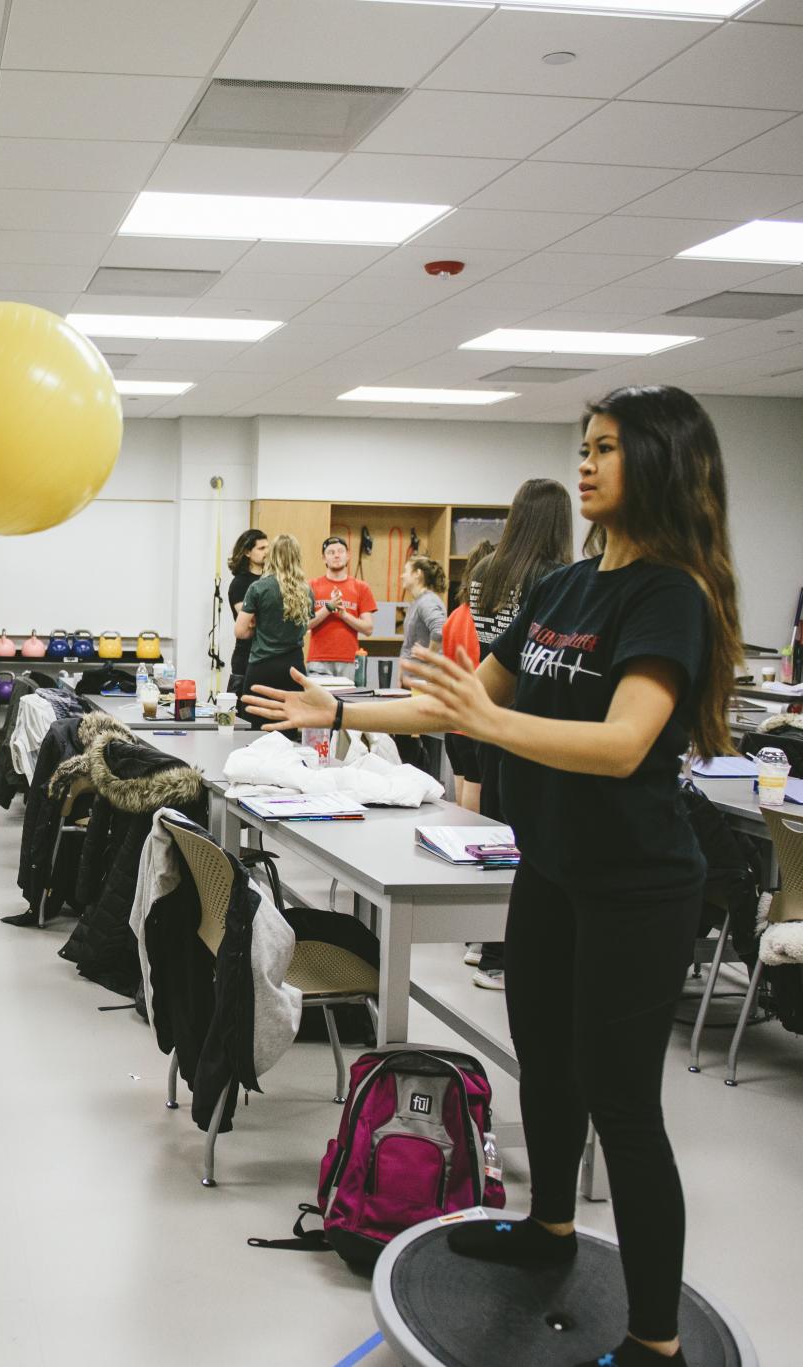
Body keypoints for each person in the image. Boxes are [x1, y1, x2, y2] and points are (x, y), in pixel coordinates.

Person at [247, 385, 742, 1367]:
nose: (585, 463)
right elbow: (457, 706)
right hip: (551, 867)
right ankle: (548, 1227)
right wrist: (337, 712)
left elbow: (621, 742)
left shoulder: (667, 596)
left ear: (658, 463)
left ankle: (656, 1340)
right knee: (544, 1063)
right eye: (584, 445)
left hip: (636, 886)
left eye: (607, 448)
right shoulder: (563, 589)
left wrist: (490, 722)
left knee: (622, 1105)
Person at [465, 478, 573, 991]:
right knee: (522, 842)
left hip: (488, 710)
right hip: (525, 719)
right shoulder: (554, 579)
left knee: (492, 829)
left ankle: (480, 939)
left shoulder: (484, 570)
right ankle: (499, 955)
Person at [234, 532, 314, 738]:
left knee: (255, 731)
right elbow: (305, 626)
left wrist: (259, 628)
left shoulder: (258, 588)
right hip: (294, 669)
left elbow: (240, 631)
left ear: (272, 556)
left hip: (263, 667)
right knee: (288, 731)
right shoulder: (306, 591)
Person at [445, 542, 493, 812]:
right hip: (472, 721)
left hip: (453, 723)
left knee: (461, 795)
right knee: (474, 795)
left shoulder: (455, 615)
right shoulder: (486, 620)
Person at [395, 555, 449, 777]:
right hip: (414, 681)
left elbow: (440, 628)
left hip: (423, 682)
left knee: (418, 740)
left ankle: (426, 783)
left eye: (406, 571)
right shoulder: (418, 602)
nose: (402, 576)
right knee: (407, 740)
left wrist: (428, 655)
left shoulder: (427, 602)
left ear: (418, 574)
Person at [306, 534, 376, 678]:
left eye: (340, 551)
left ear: (348, 555)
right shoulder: (311, 586)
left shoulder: (361, 587)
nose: (336, 555)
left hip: (349, 660)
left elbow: (368, 629)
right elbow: (304, 625)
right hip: (318, 660)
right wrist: (328, 608)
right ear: (324, 558)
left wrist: (344, 615)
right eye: (331, 552)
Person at [224, 529, 269, 694]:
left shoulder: (270, 580)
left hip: (267, 654)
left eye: (268, 548)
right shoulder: (240, 583)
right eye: (261, 548)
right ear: (247, 552)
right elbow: (251, 621)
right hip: (247, 655)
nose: (267, 552)